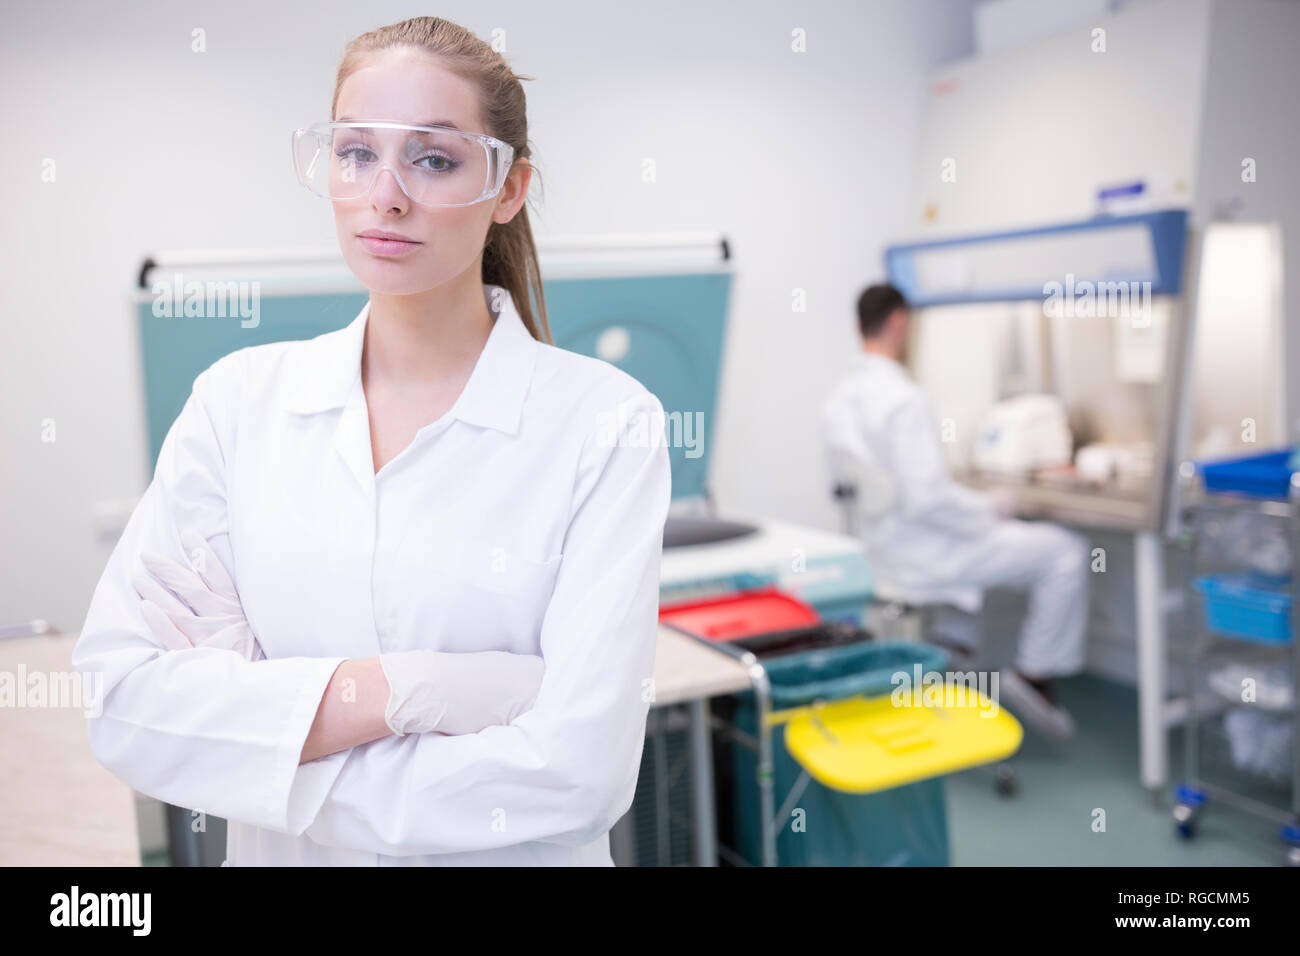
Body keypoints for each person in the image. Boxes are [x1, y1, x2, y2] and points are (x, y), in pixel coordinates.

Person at [72, 16, 671, 865]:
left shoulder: (606, 422)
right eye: (356, 153)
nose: (385, 194)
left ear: (508, 188)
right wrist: (412, 691)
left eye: (433, 158)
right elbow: (127, 705)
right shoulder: (237, 405)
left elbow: (579, 777)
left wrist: (262, 750)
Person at [820, 283, 1088, 738]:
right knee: (1065, 550)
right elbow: (927, 498)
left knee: (974, 568)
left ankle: (953, 662)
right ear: (900, 322)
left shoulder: (839, 400)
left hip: (881, 553)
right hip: (924, 556)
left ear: (857, 325)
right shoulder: (904, 398)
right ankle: (1034, 673)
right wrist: (989, 508)